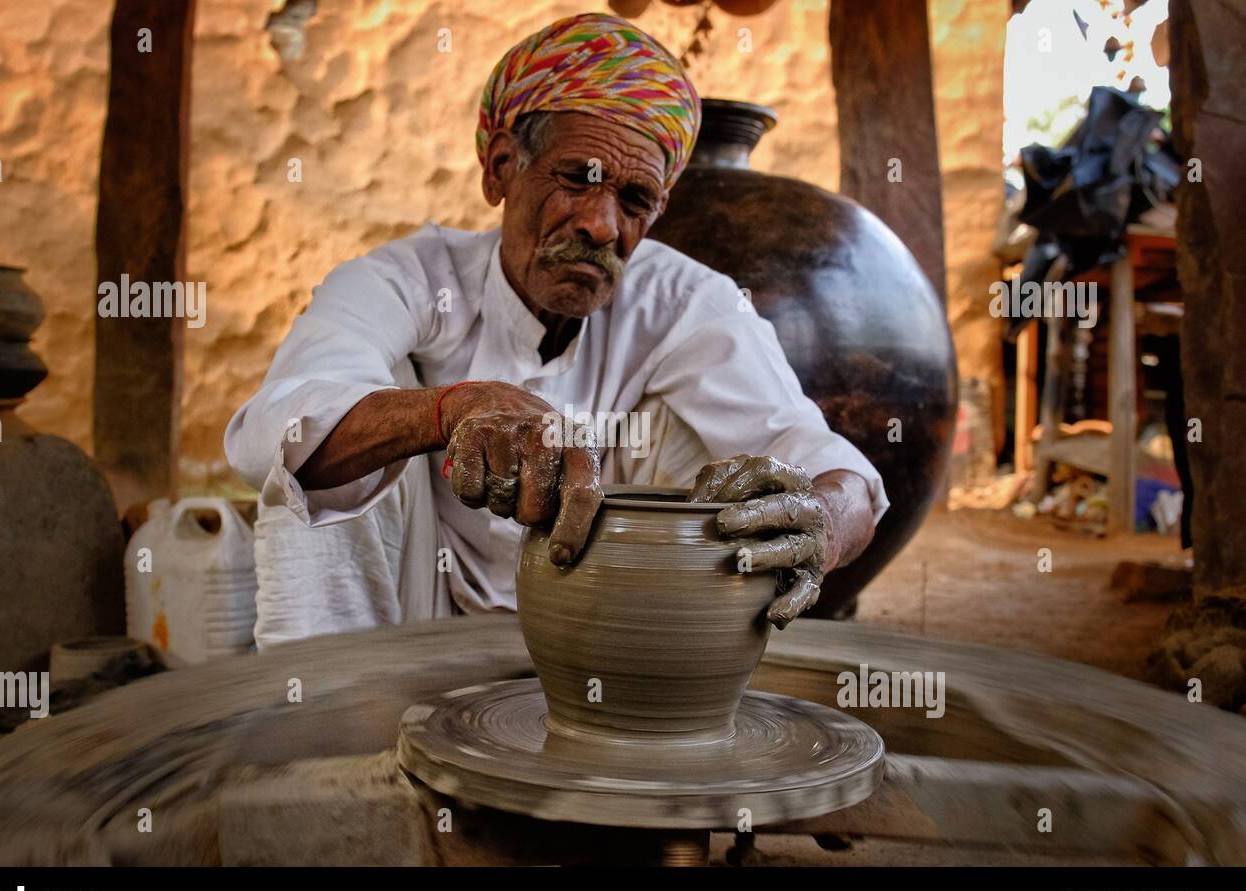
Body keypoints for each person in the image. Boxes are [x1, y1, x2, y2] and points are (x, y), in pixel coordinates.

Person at [225, 13, 887, 648]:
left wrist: (823, 524)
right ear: (501, 167)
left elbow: (830, 465)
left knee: (744, 474)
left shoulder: (688, 302)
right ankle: (332, 727)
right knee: (331, 435)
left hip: (605, 632)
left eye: (634, 202)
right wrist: (448, 409)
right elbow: (266, 433)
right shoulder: (406, 279)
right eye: (577, 179)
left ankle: (668, 717)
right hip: (413, 626)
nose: (602, 225)